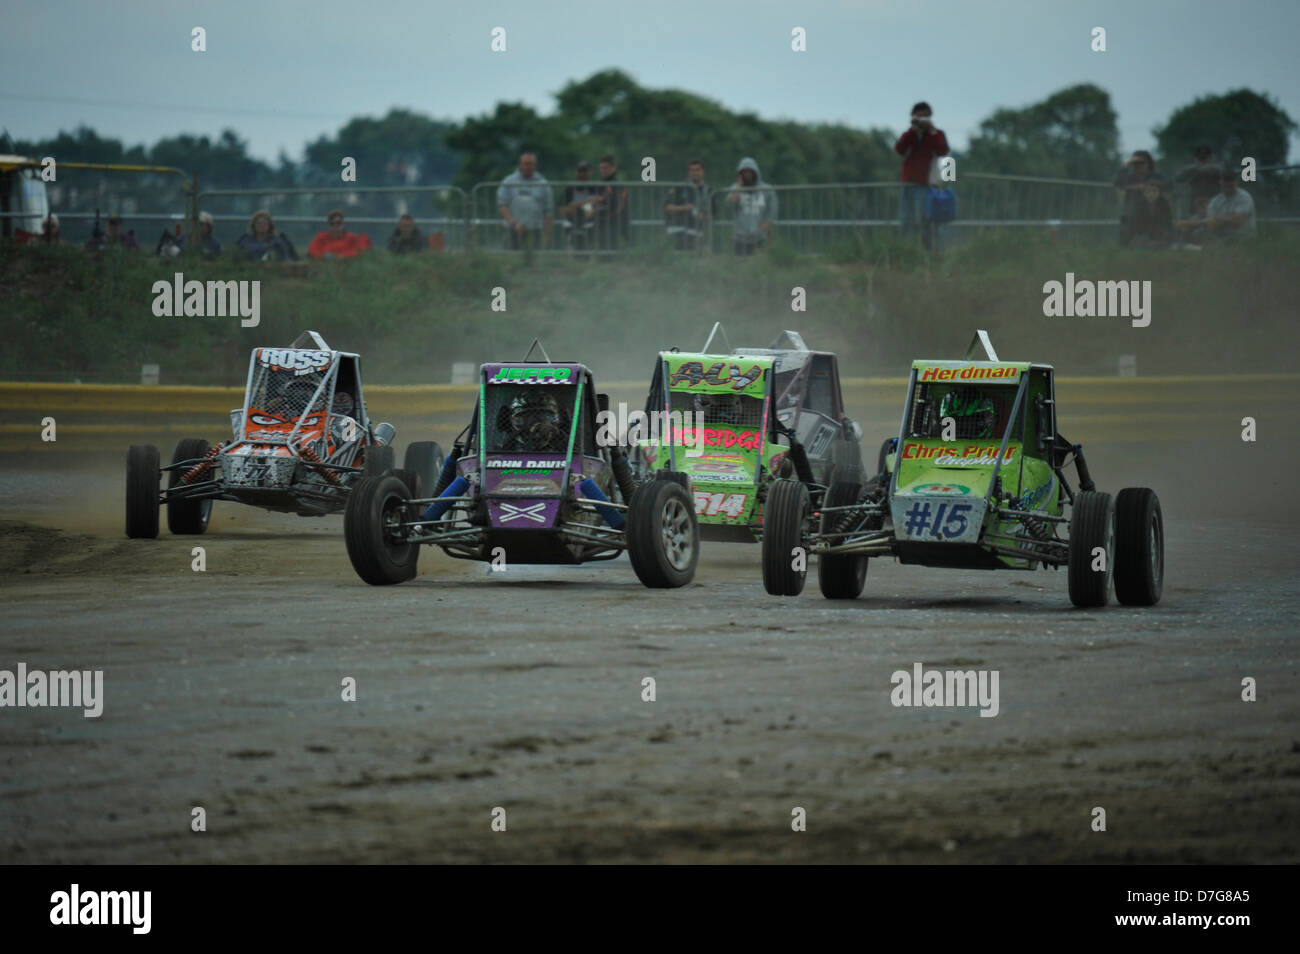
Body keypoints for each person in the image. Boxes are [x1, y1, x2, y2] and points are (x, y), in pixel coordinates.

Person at [894, 101, 949, 251]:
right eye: (919, 117)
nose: (922, 120)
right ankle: (906, 250)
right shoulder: (909, 134)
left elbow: (942, 151)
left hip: (928, 185)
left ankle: (929, 251)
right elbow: (900, 149)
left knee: (926, 220)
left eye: (925, 117)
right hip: (909, 184)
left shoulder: (937, 134)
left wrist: (931, 131)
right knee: (906, 220)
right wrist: (913, 130)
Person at [496, 152, 554, 251]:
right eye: (526, 163)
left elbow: (548, 211)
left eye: (531, 164)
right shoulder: (509, 181)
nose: (529, 166)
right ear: (520, 164)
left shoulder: (543, 183)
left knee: (535, 261)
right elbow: (502, 204)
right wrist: (514, 224)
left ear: (535, 165)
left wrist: (547, 235)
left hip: (535, 230)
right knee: (511, 259)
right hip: (512, 229)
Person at [726, 157, 776, 255]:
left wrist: (764, 227)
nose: (747, 175)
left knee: (760, 266)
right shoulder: (734, 188)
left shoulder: (767, 189)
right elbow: (729, 203)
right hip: (740, 238)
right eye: (744, 172)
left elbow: (772, 212)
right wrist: (739, 187)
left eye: (750, 172)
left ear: (755, 172)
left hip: (760, 237)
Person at [664, 159, 714, 251]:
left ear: (703, 172)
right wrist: (683, 208)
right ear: (688, 172)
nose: (695, 173)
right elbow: (667, 207)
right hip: (677, 232)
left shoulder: (708, 191)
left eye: (697, 170)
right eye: (692, 170)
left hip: (697, 235)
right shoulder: (679, 187)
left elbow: (712, 215)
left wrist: (702, 216)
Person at [1114, 151, 1163, 239]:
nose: (1138, 166)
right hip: (1131, 212)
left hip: (1152, 212)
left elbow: (1167, 185)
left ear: (1148, 163)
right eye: (1135, 163)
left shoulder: (1156, 176)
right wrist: (1125, 166)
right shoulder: (1130, 177)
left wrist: (1148, 187)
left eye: (1141, 163)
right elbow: (1118, 183)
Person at [557, 161, 600, 251]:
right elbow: (561, 210)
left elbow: (598, 207)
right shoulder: (569, 189)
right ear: (576, 172)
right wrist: (584, 204)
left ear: (591, 172)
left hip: (591, 225)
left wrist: (575, 205)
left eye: (585, 171)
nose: (582, 174)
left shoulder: (596, 188)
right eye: (580, 171)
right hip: (572, 224)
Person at [1121, 179, 1174, 248]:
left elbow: (1167, 223)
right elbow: (1133, 224)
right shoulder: (1139, 205)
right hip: (1143, 234)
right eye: (1148, 191)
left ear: (1159, 192)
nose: (1151, 194)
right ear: (1144, 193)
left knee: (1163, 241)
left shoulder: (1164, 205)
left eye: (1154, 191)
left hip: (1159, 234)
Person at [1205, 170, 1256, 239]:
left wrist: (1217, 218)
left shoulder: (1244, 197)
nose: (1227, 183)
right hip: (1220, 235)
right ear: (1220, 183)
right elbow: (1211, 224)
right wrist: (1230, 218)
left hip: (1242, 236)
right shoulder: (1216, 200)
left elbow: (1239, 221)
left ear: (1236, 182)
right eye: (1225, 181)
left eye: (1230, 181)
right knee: (1199, 233)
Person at [1173, 145, 1224, 214]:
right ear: (1195, 158)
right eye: (1201, 158)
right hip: (1195, 202)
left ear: (1210, 158)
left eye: (1205, 158)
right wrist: (1196, 168)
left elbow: (1222, 173)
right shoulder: (1191, 170)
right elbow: (1177, 178)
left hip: (1214, 201)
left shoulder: (1216, 169)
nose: (1203, 160)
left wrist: (1199, 168)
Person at [594, 154, 628, 251]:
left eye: (606, 168)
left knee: (613, 253)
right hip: (602, 224)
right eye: (601, 168)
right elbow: (594, 201)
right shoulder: (600, 184)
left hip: (616, 225)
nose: (603, 170)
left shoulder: (618, 184)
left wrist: (597, 209)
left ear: (614, 168)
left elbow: (617, 205)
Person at [308, 209, 373, 258]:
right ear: (329, 225)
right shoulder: (322, 238)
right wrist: (324, 256)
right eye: (332, 224)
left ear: (343, 224)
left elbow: (364, 248)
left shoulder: (352, 238)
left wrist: (343, 256)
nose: (336, 226)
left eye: (338, 223)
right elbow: (313, 251)